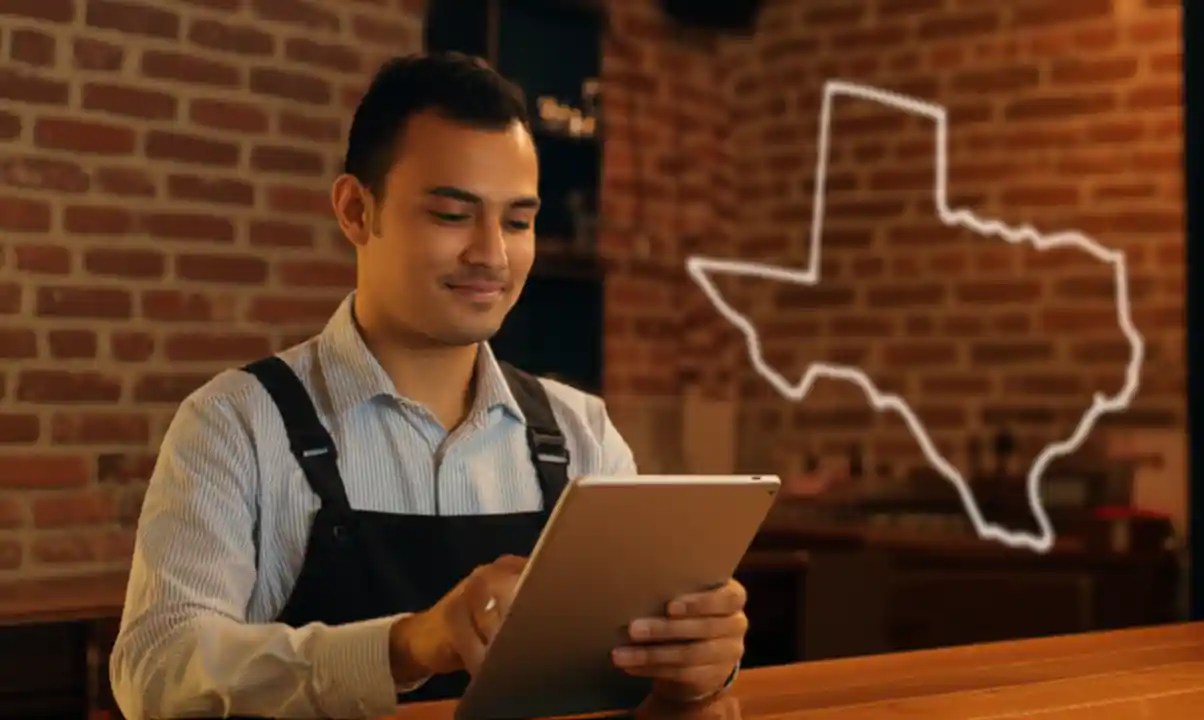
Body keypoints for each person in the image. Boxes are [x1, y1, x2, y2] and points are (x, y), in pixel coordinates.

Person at [109, 52, 748, 720]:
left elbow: (638, 680)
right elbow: (155, 670)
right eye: (452, 215)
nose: (492, 255)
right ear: (356, 211)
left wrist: (698, 665)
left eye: (517, 221)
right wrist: (406, 646)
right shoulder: (237, 424)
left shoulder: (581, 433)